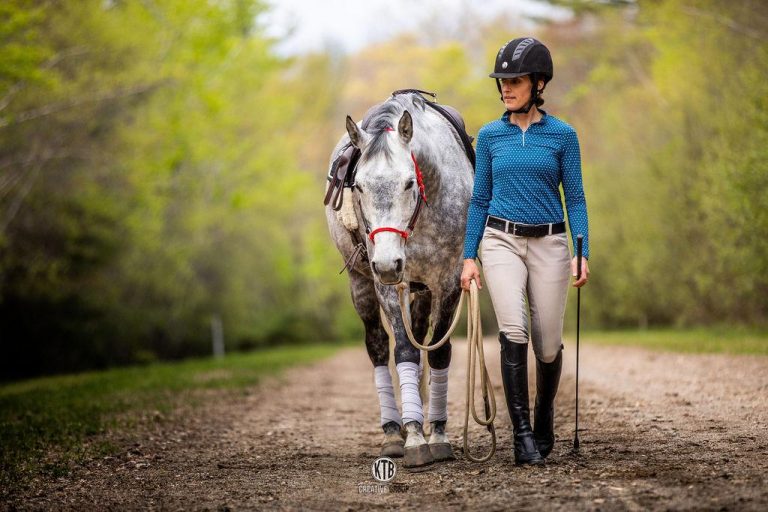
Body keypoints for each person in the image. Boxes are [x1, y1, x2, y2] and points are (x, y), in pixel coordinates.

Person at [460, 37, 590, 465]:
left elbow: (575, 199)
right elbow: (479, 201)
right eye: (501, 81)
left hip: (550, 243)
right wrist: (468, 256)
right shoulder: (491, 138)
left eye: (513, 80)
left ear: (538, 83)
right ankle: (522, 437)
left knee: (548, 344)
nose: (505, 88)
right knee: (512, 331)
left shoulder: (564, 136)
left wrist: (580, 248)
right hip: (500, 241)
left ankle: (543, 414)